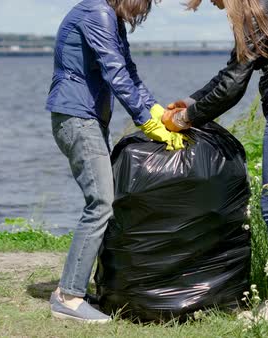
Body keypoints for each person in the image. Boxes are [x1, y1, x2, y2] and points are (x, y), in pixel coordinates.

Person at [163, 0, 268, 302]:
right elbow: (231, 71)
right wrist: (190, 101)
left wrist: (185, 119)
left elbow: (233, 87)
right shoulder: (264, 10)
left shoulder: (256, 15)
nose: (211, 1)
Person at [46, 0, 184, 323]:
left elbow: (129, 72)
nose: (144, 10)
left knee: (103, 202)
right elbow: (115, 73)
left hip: (89, 119)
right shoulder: (98, 13)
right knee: (100, 204)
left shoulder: (110, 17)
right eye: (145, 2)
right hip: (76, 119)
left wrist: (159, 112)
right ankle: (68, 297)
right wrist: (145, 121)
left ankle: (71, 288)